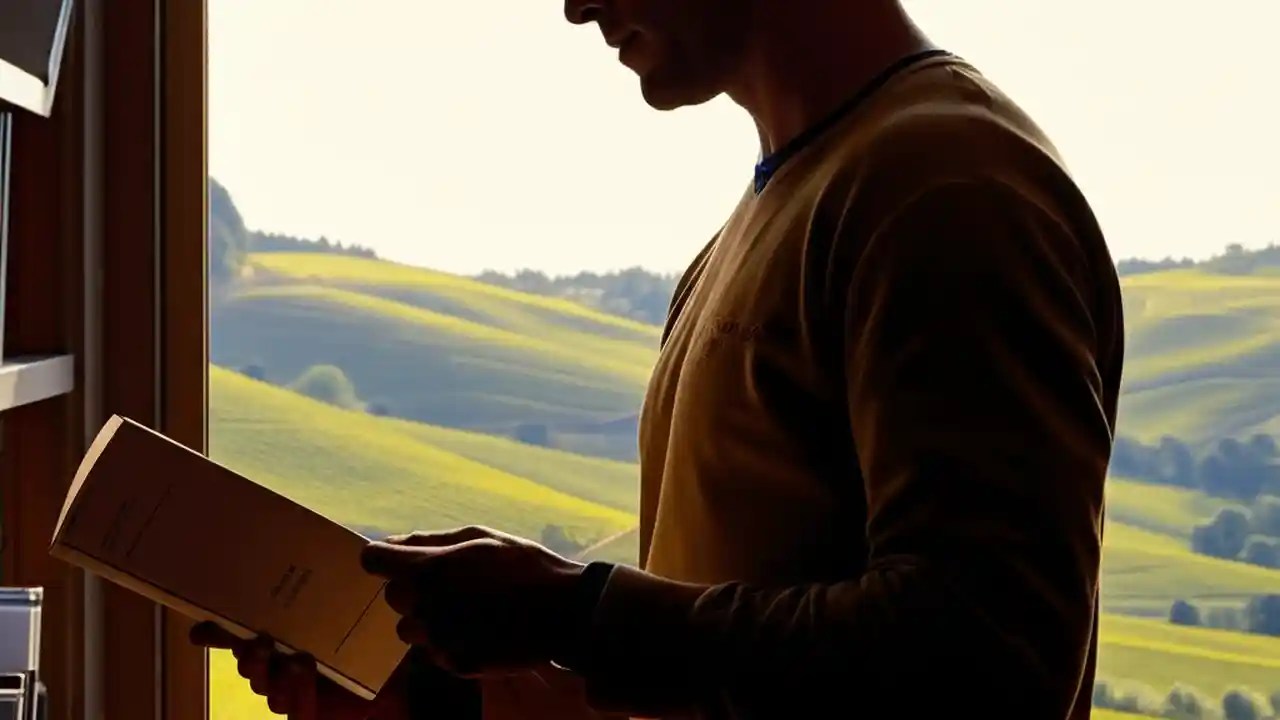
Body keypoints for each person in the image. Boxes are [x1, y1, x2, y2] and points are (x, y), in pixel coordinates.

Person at [194, 0, 1124, 717]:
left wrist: (570, 614)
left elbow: (989, 662)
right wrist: (447, 697)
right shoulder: (771, 219)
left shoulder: (947, 189)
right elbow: (722, 676)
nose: (573, 5)